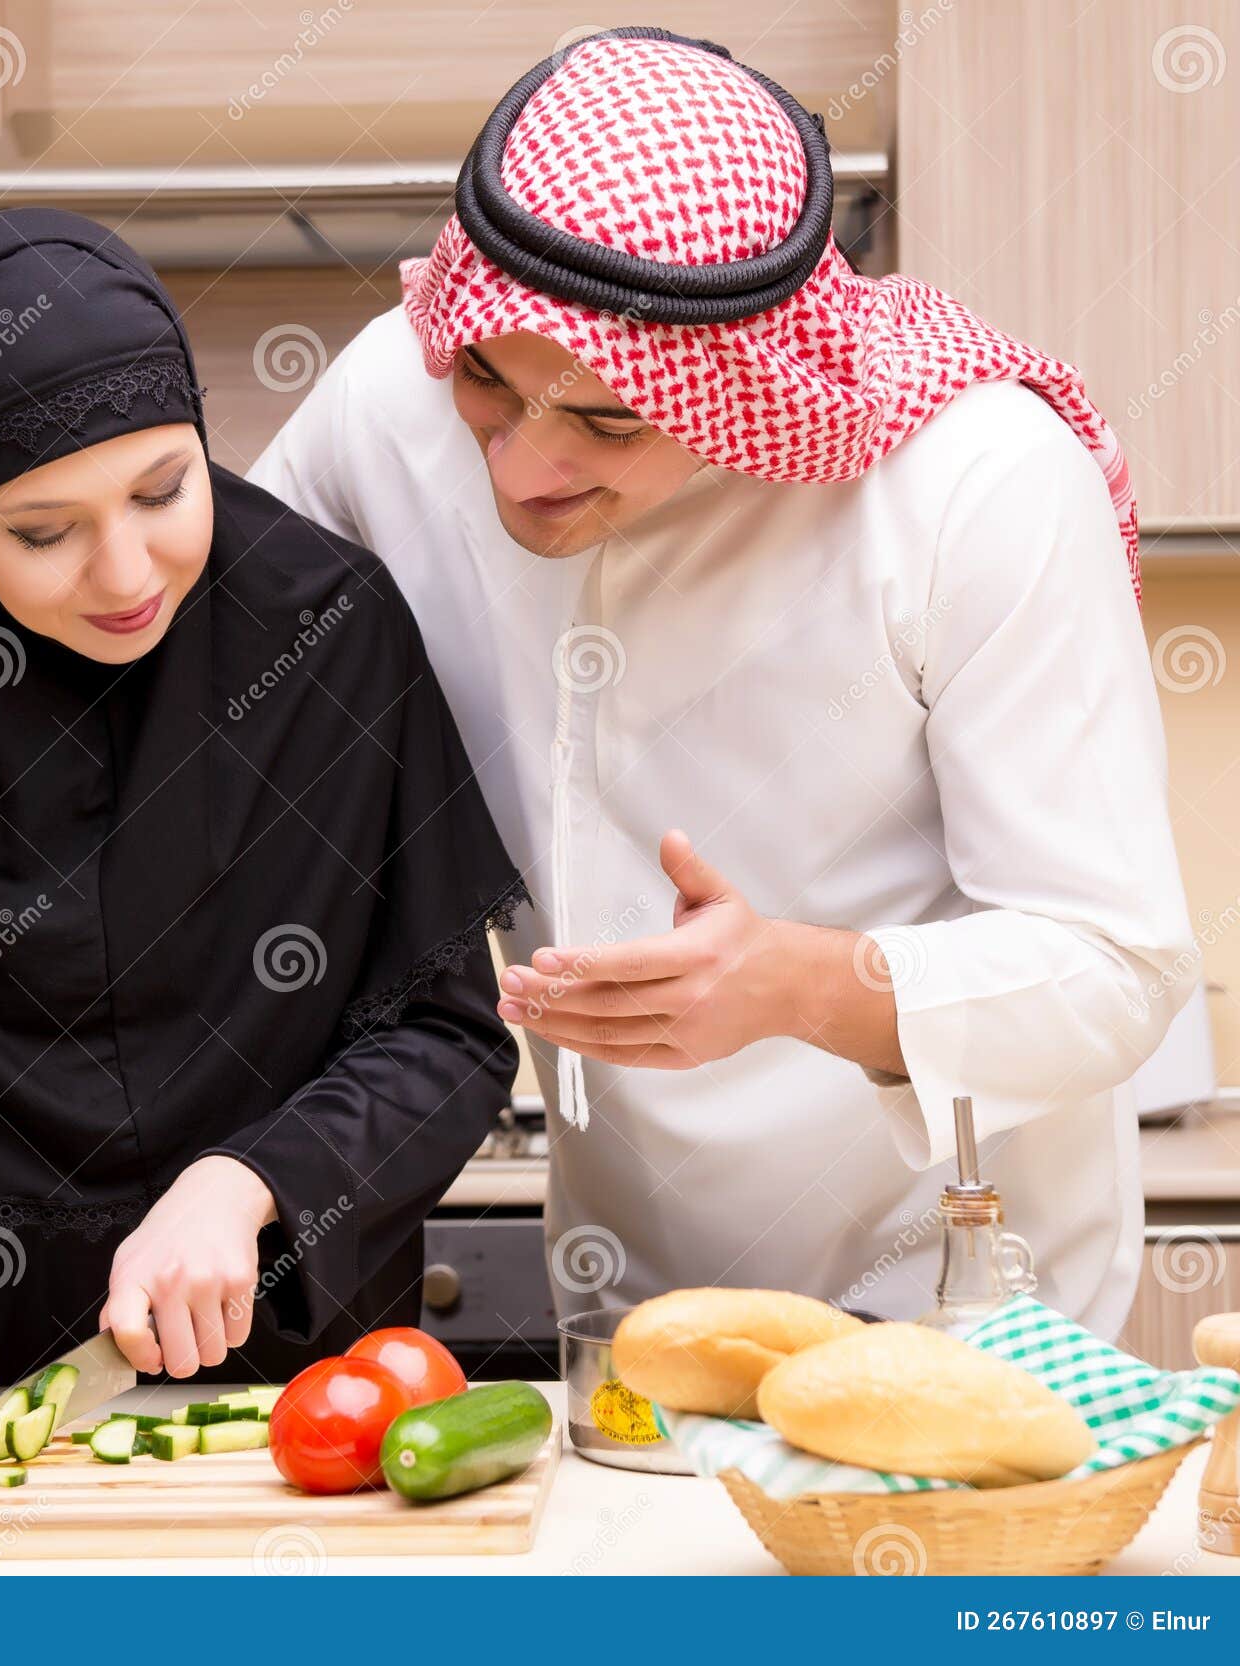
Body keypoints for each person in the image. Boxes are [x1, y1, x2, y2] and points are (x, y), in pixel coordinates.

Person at [247, 28, 1195, 1335]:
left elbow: (1112, 964)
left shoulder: (977, 488)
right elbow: (205, 689)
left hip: (966, 1314)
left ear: (743, 382)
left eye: (608, 420)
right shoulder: (384, 414)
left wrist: (792, 982)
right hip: (639, 1314)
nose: (521, 469)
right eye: (488, 380)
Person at [0, 209, 524, 1467]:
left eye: (162, 488)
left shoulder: (328, 630)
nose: (127, 570)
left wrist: (248, 1180)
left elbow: (447, 1035)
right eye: (43, 532)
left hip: (306, 1419)